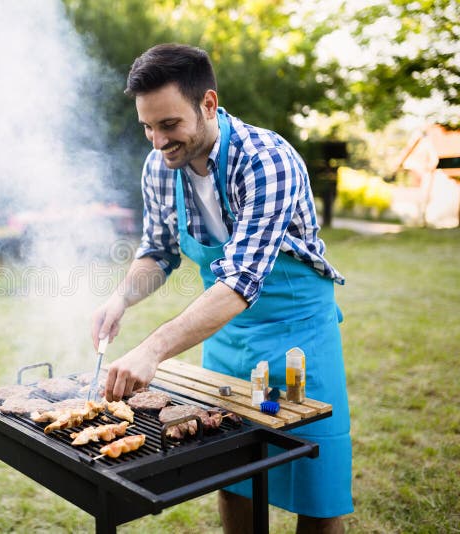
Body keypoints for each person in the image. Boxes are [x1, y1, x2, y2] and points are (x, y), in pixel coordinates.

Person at [91, 44, 352, 533]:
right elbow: (159, 250)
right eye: (147, 126)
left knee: (316, 486)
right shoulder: (158, 166)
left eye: (169, 125)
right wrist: (119, 298)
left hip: (298, 335)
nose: (156, 141)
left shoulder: (267, 160)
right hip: (226, 338)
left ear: (208, 104)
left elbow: (238, 281)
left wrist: (153, 350)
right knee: (233, 475)